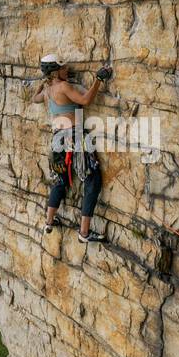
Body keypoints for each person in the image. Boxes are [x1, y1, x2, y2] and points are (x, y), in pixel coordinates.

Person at [29, 53, 112, 243]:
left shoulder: (48, 91)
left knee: (60, 179)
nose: (67, 70)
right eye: (64, 67)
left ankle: (49, 221)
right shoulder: (63, 86)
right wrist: (98, 80)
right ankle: (84, 233)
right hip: (74, 136)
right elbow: (85, 101)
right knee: (92, 179)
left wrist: (42, 84)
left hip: (57, 139)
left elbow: (34, 98)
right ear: (56, 71)